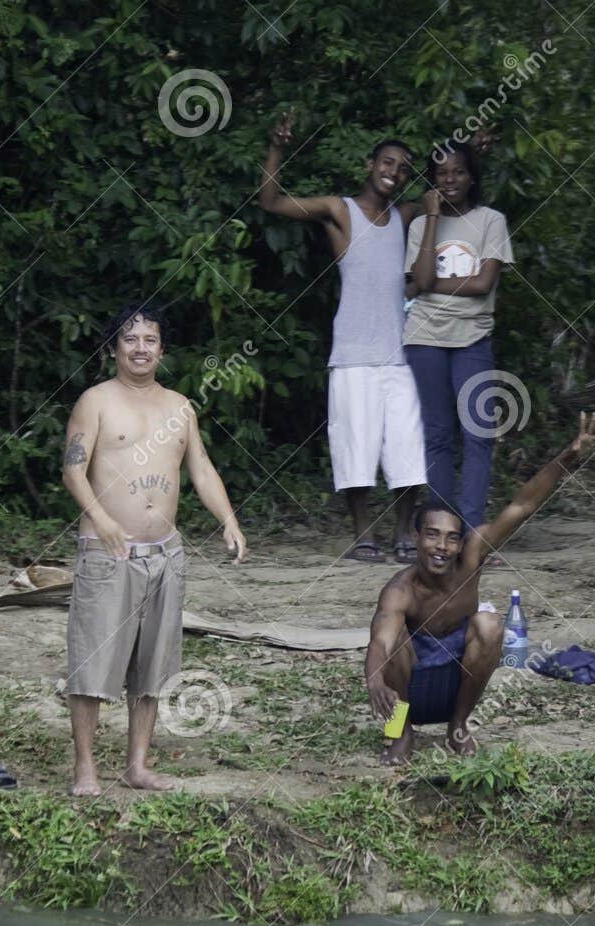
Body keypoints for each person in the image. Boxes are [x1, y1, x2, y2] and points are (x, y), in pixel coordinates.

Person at [62, 302, 248, 797]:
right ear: (113, 349)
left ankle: (137, 765)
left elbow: (202, 468)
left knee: (155, 664)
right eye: (130, 339)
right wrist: (100, 519)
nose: (140, 348)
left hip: (165, 552)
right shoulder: (96, 400)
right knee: (92, 660)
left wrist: (228, 519)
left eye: (150, 340)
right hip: (108, 552)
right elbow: (74, 469)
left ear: (162, 351)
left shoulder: (180, 406)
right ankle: (85, 769)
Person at [364, 413, 595, 764]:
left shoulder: (472, 556)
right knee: (396, 640)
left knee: (489, 623)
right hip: (411, 683)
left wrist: (568, 455)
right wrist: (373, 679)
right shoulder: (400, 589)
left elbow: (522, 506)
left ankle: (458, 726)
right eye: (432, 535)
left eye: (451, 539)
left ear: (462, 545)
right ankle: (401, 731)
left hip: (456, 678)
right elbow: (380, 641)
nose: (441, 547)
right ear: (416, 539)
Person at [259, 113, 429, 563]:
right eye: (388, 163)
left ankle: (404, 534)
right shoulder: (341, 211)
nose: (395, 172)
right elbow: (272, 202)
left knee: (409, 449)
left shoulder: (406, 216)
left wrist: (473, 154)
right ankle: (363, 535)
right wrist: (278, 147)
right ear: (370, 164)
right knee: (356, 447)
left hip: (399, 356)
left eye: (405, 168)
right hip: (353, 354)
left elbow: (450, 199)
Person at [404, 141, 514, 532]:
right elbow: (418, 280)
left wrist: (433, 283)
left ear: (472, 177)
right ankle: (441, 531)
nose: (449, 180)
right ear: (432, 180)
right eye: (441, 173)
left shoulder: (491, 222)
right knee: (436, 436)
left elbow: (484, 283)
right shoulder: (420, 225)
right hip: (424, 337)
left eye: (458, 172)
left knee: (478, 435)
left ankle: (471, 531)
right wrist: (432, 218)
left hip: (472, 338)